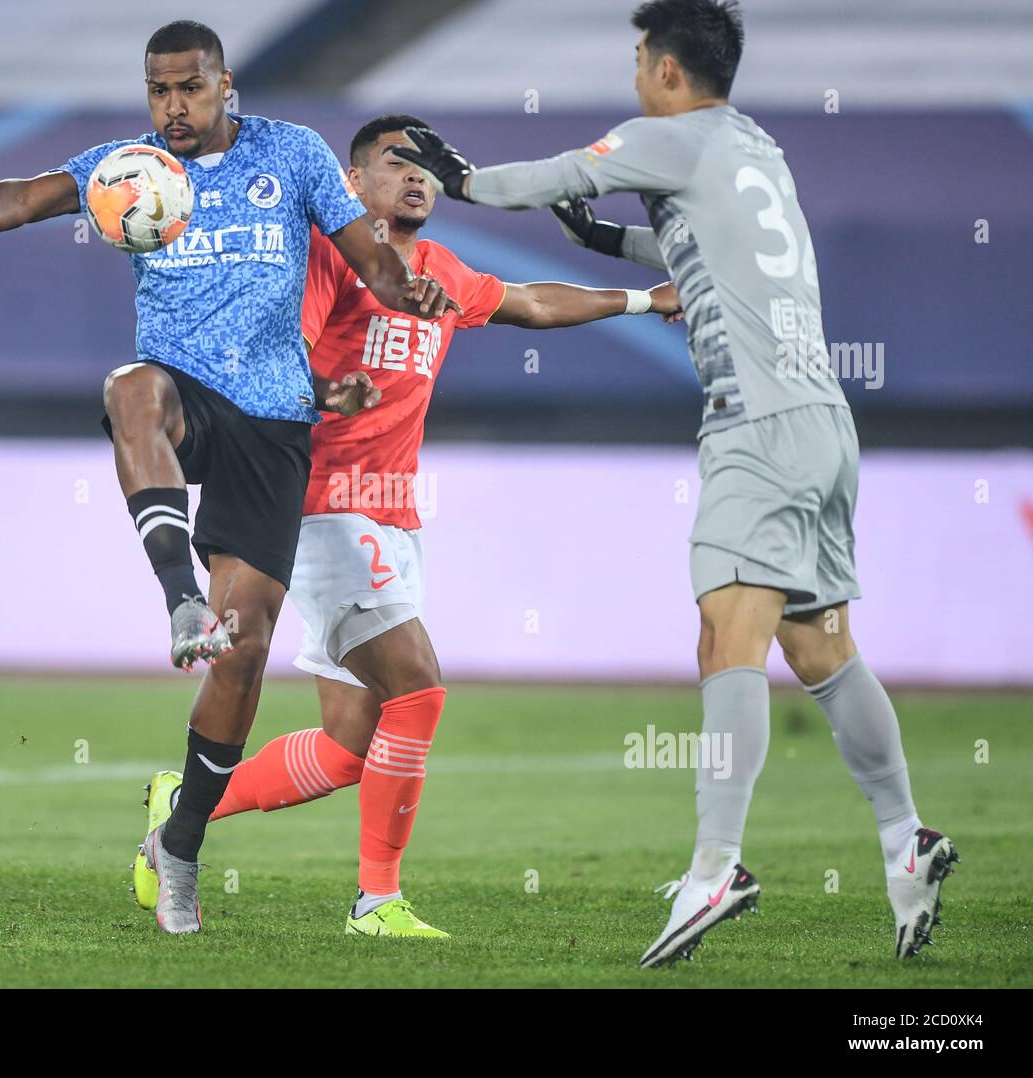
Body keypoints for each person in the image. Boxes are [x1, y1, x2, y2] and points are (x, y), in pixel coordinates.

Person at [389, 0, 958, 966]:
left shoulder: (671, 136)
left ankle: (716, 866)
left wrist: (467, 180)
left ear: (662, 69)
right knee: (819, 646)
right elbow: (715, 256)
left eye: (637, 58)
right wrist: (612, 246)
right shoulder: (753, 148)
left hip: (759, 426)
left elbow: (567, 172)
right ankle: (906, 840)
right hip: (823, 423)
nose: (634, 75)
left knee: (723, 631)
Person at [0, 20, 458, 936]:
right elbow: (32, 195)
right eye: (158, 91)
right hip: (184, 395)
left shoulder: (294, 155)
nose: (173, 108)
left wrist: (404, 289)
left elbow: (369, 258)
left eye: (189, 89)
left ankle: (180, 844)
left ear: (225, 84)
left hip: (273, 421)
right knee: (129, 390)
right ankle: (175, 596)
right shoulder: (131, 170)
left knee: (245, 653)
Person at [132, 114, 681, 938]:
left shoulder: (440, 271)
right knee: (418, 689)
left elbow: (530, 301)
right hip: (320, 504)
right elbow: (282, 353)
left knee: (350, 744)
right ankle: (376, 904)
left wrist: (647, 297)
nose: (417, 175)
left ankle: (181, 815)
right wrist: (328, 388)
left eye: (426, 164)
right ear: (353, 184)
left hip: (390, 516)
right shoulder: (328, 257)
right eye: (396, 161)